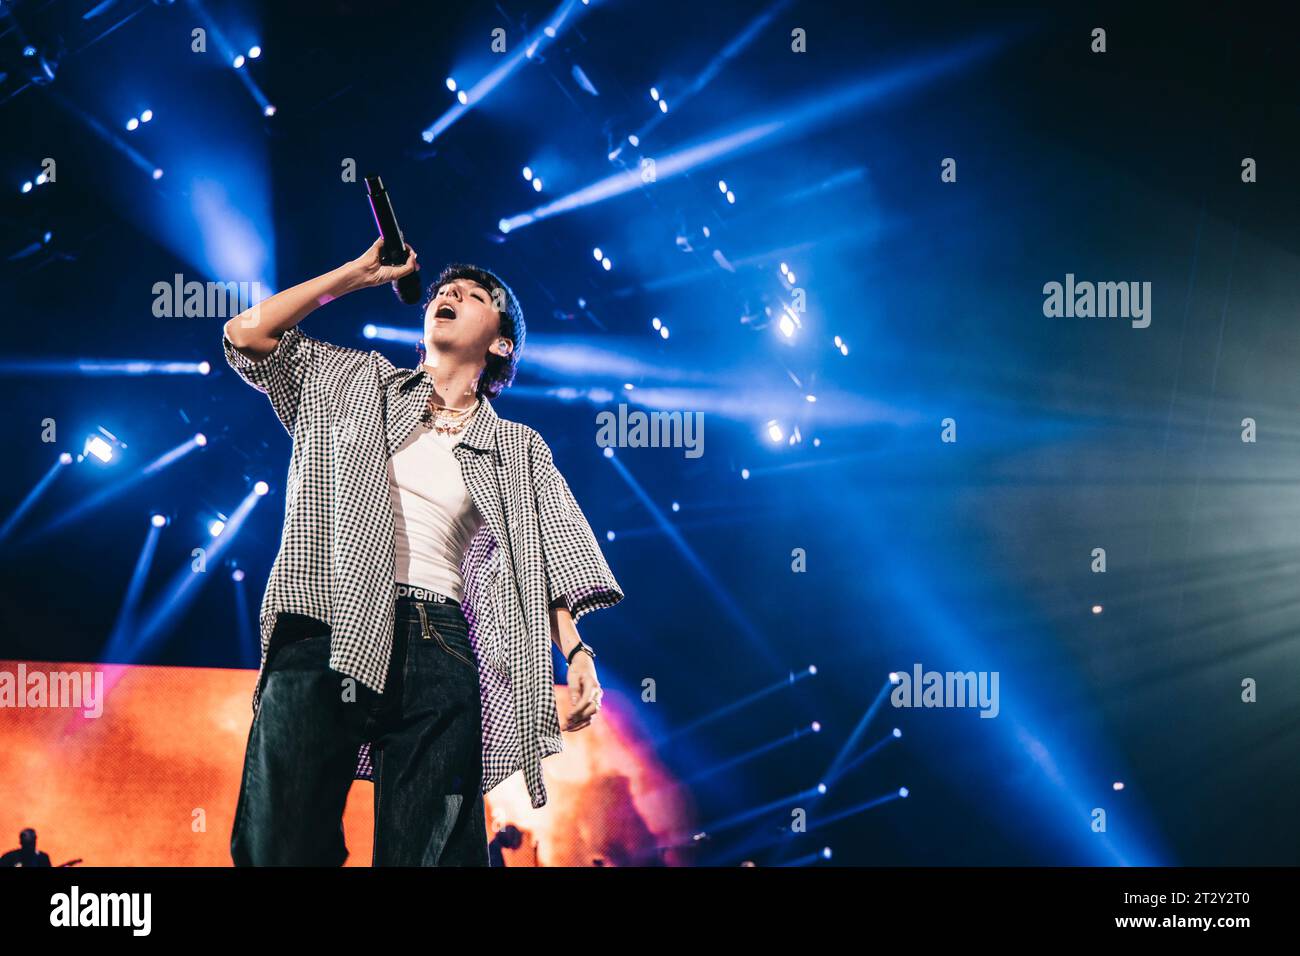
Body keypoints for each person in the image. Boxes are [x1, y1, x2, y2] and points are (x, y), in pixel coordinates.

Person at [223, 237, 624, 866]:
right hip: (326, 615)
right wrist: (354, 275)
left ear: (501, 344)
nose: (450, 294)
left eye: (474, 295)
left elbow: (546, 556)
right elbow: (247, 334)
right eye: (444, 290)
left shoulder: (518, 447)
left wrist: (576, 652)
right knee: (280, 840)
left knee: (430, 854)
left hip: (439, 641)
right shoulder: (352, 381)